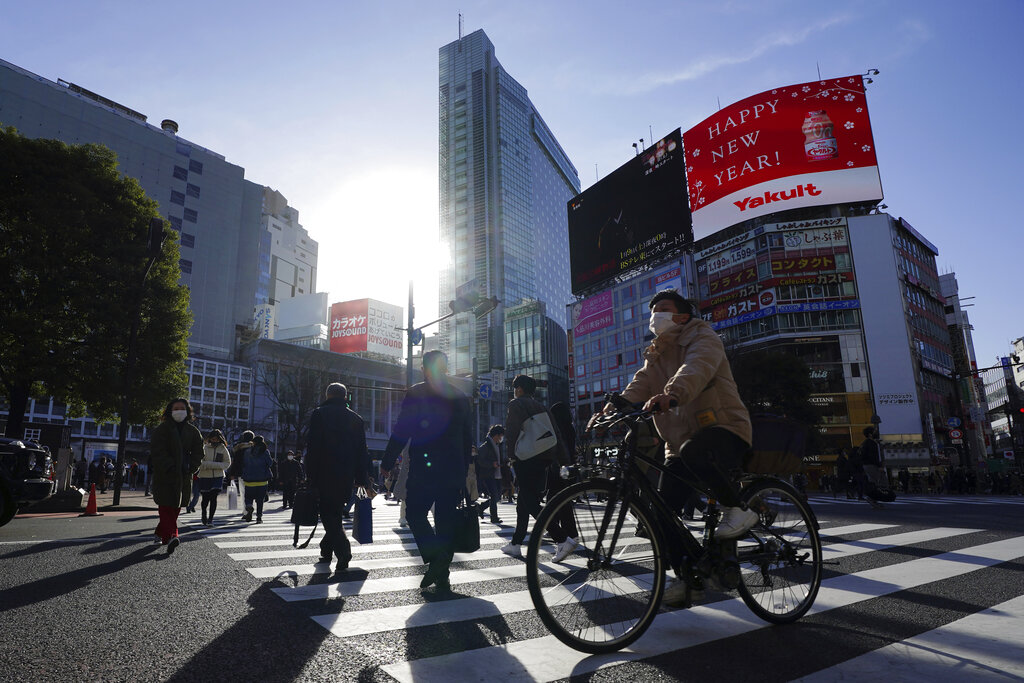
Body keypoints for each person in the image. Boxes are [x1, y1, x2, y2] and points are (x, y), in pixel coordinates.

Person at [608, 289, 754, 606]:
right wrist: (616, 405)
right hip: (678, 445)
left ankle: (738, 509)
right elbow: (641, 382)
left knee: (692, 451)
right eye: (652, 312)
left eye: (662, 309)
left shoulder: (702, 336)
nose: (655, 316)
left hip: (724, 429)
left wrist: (672, 394)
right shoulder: (657, 353)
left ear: (683, 315)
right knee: (662, 515)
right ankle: (691, 579)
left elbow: (696, 367)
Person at [382, 350, 472, 592]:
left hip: (425, 466)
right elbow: (467, 438)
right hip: (453, 467)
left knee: (414, 513)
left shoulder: (417, 392)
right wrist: (464, 469)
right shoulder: (460, 396)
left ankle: (436, 559)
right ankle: (443, 575)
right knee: (445, 520)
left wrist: (387, 461)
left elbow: (402, 429)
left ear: (423, 368)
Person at [306, 383, 377, 577]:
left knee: (328, 513)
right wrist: (361, 478)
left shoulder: (319, 414)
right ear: (345, 397)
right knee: (334, 512)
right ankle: (326, 550)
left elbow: (313, 447)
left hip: (324, 473)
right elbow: (362, 452)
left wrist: (309, 475)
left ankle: (343, 551)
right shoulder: (356, 418)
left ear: (327, 395)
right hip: (347, 475)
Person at [501, 375, 573, 559]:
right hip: (545, 457)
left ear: (519, 389)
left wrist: (511, 456)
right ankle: (516, 543)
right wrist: (564, 461)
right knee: (523, 502)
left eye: (515, 388)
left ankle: (561, 538)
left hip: (526, 457)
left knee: (530, 502)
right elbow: (556, 434)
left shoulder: (516, 404)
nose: (514, 391)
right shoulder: (543, 407)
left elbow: (511, 431)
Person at [149, 398, 204, 554]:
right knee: (165, 507)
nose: (179, 411)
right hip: (165, 475)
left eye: (182, 408)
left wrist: (192, 467)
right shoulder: (162, 429)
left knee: (175, 508)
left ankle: (160, 532)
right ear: (170, 411)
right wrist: (169, 466)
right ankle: (173, 536)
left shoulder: (193, 431)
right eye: (176, 408)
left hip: (184, 475)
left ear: (187, 411)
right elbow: (157, 451)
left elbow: (199, 451)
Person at [548, 402, 581, 562]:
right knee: (562, 501)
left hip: (559, 468)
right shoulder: (570, 427)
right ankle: (568, 533)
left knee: (557, 501)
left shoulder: (557, 428)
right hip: (568, 468)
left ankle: (561, 534)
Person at [198, 429, 231, 526]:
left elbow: (227, 463)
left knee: (213, 497)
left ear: (220, 439)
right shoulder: (204, 448)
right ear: (210, 439)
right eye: (213, 439)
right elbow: (199, 463)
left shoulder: (223, 449)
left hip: (218, 477)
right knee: (205, 498)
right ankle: (204, 514)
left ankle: (210, 519)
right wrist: (213, 465)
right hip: (205, 476)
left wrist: (210, 465)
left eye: (216, 439)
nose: (215, 441)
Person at [241, 435, 273, 523]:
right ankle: (259, 517)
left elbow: (244, 463)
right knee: (260, 500)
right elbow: (270, 463)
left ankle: (249, 506)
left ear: (253, 442)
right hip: (262, 480)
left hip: (249, 480)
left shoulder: (247, 451)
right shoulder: (265, 451)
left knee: (248, 497)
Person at [476, 425, 505, 525]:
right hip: (488, 474)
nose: (501, 438)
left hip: (497, 474)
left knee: (497, 496)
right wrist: (491, 464)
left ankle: (481, 507)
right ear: (496, 435)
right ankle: (494, 517)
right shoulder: (486, 446)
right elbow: (480, 460)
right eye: (500, 436)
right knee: (494, 495)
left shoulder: (497, 445)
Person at [859, 427, 886, 508]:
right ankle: (871, 498)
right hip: (872, 465)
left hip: (867, 465)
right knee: (877, 482)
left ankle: (873, 500)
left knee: (874, 482)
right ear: (870, 434)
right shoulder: (871, 443)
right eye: (874, 431)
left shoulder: (866, 443)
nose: (876, 433)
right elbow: (873, 456)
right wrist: (879, 466)